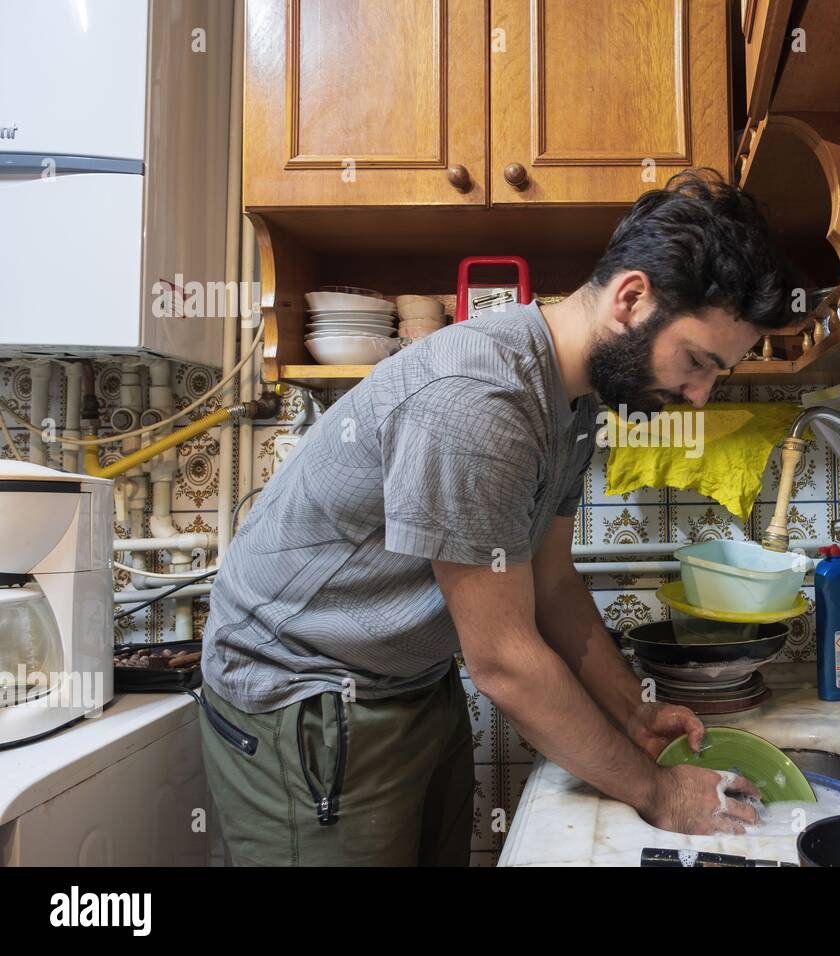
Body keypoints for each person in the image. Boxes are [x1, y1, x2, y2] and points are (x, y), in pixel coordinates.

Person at [199, 169, 792, 865]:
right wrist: (658, 792)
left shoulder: (574, 402)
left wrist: (634, 711)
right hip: (303, 693)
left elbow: (552, 583)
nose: (698, 396)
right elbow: (505, 662)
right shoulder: (481, 400)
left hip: (410, 682)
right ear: (631, 299)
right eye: (697, 361)